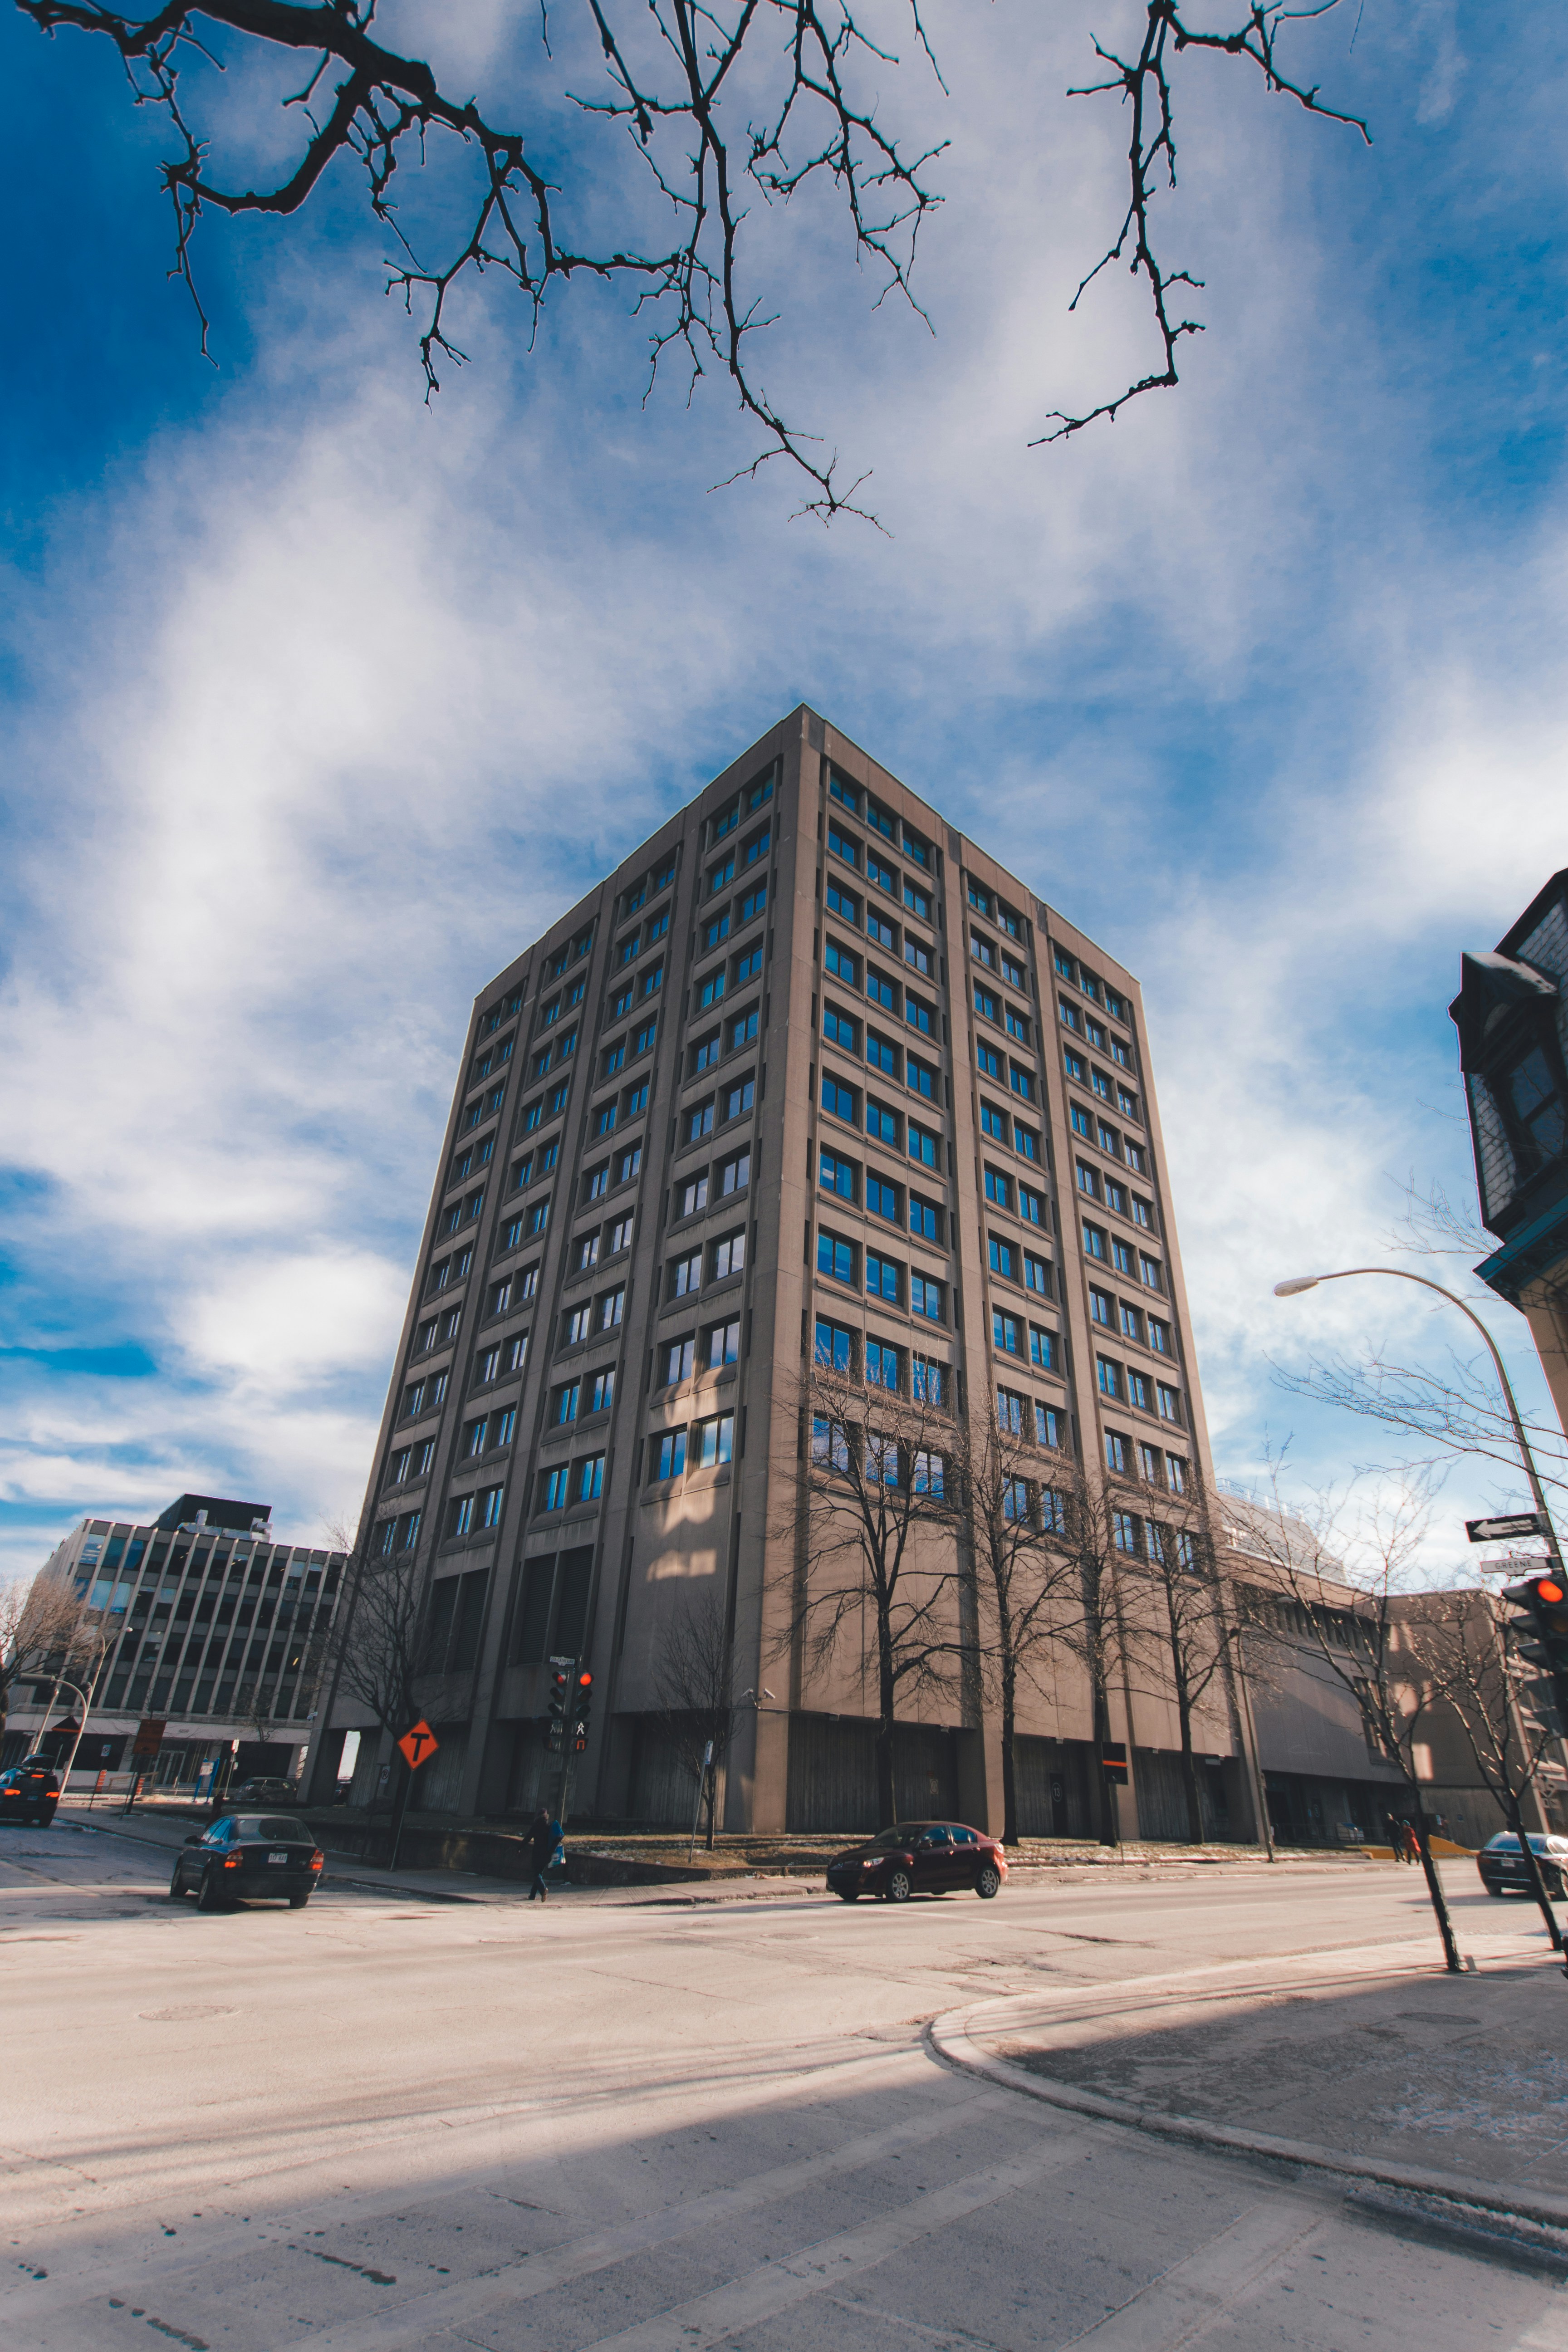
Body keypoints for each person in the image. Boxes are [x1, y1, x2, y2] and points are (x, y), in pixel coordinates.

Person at [529, 1806, 555, 1901]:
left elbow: (528, 1837)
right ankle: (532, 1895)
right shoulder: (549, 1825)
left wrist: (520, 1847)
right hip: (547, 1854)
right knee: (539, 1873)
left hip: (537, 1853)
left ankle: (543, 1889)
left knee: (536, 1874)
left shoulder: (536, 1825)